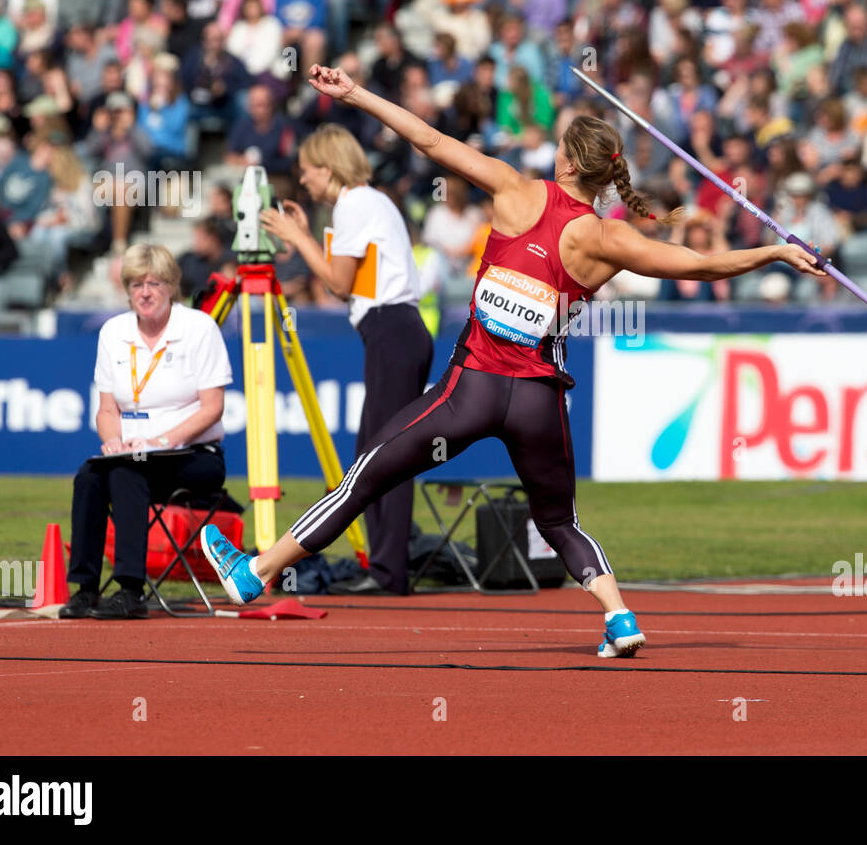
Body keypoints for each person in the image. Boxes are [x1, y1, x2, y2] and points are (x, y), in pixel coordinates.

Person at [202, 64, 825, 657]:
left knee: (365, 475)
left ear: (565, 161)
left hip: (470, 390)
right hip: (538, 403)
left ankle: (257, 571)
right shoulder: (608, 238)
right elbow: (698, 265)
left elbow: (428, 139)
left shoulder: (515, 189)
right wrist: (771, 253)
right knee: (557, 519)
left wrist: (357, 95)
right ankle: (618, 614)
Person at [259, 124, 433, 595]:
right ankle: (384, 565)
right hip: (393, 331)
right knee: (372, 457)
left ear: (328, 167)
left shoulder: (355, 203)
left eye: (306, 172)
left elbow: (338, 285)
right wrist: (307, 235)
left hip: (392, 329)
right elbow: (349, 280)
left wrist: (298, 234)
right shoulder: (363, 204)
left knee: (384, 458)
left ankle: (387, 571)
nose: (304, 182)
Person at [62, 245, 233, 619]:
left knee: (127, 472)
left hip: (193, 455)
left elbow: (212, 408)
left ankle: (130, 589)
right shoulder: (113, 332)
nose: (145, 292)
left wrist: (161, 441)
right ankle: (86, 588)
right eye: (136, 284)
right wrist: (112, 440)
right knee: (90, 475)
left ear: (171, 286)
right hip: (132, 451)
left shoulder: (198, 328)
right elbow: (107, 410)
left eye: (154, 283)